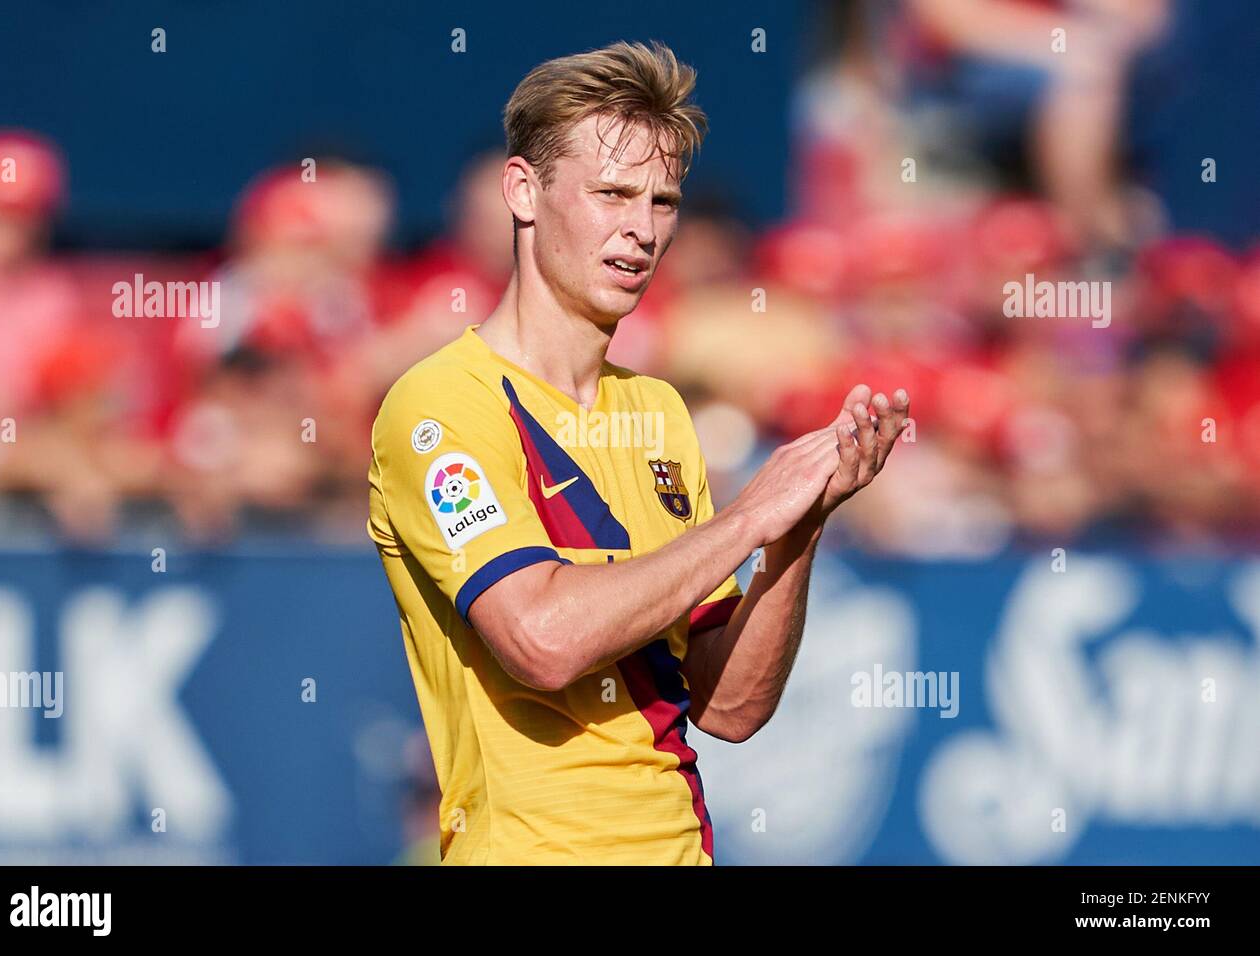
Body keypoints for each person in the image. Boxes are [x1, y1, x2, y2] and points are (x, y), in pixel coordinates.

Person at [367, 40, 909, 865]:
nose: (641, 230)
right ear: (523, 190)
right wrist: (748, 517)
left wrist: (796, 532)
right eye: (612, 193)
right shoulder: (441, 404)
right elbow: (541, 641)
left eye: (663, 202)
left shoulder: (657, 412)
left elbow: (727, 708)